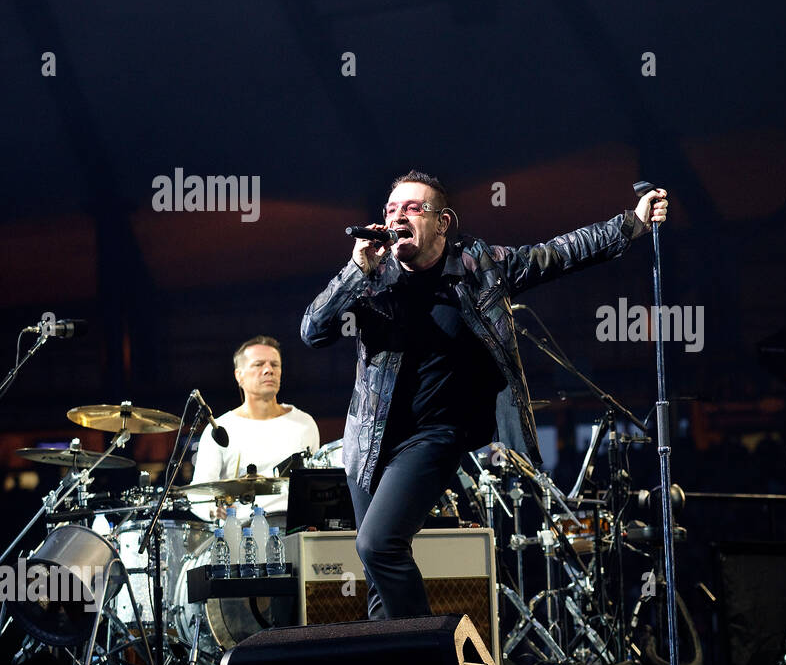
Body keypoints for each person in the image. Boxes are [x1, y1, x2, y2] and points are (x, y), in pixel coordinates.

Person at [301, 170, 667, 620]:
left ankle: (430, 658)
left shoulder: (481, 265)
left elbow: (559, 253)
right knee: (380, 569)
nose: (398, 217)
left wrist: (631, 222)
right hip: (368, 438)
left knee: (376, 543)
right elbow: (313, 330)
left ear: (442, 222)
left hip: (436, 435)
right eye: (391, 209)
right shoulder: (372, 276)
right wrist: (358, 267)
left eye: (413, 208)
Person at [191, 335, 320, 517]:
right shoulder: (219, 429)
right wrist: (213, 510)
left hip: (297, 528)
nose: (268, 370)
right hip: (242, 531)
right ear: (239, 375)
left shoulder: (304, 423)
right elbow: (197, 495)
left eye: (274, 364)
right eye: (259, 364)